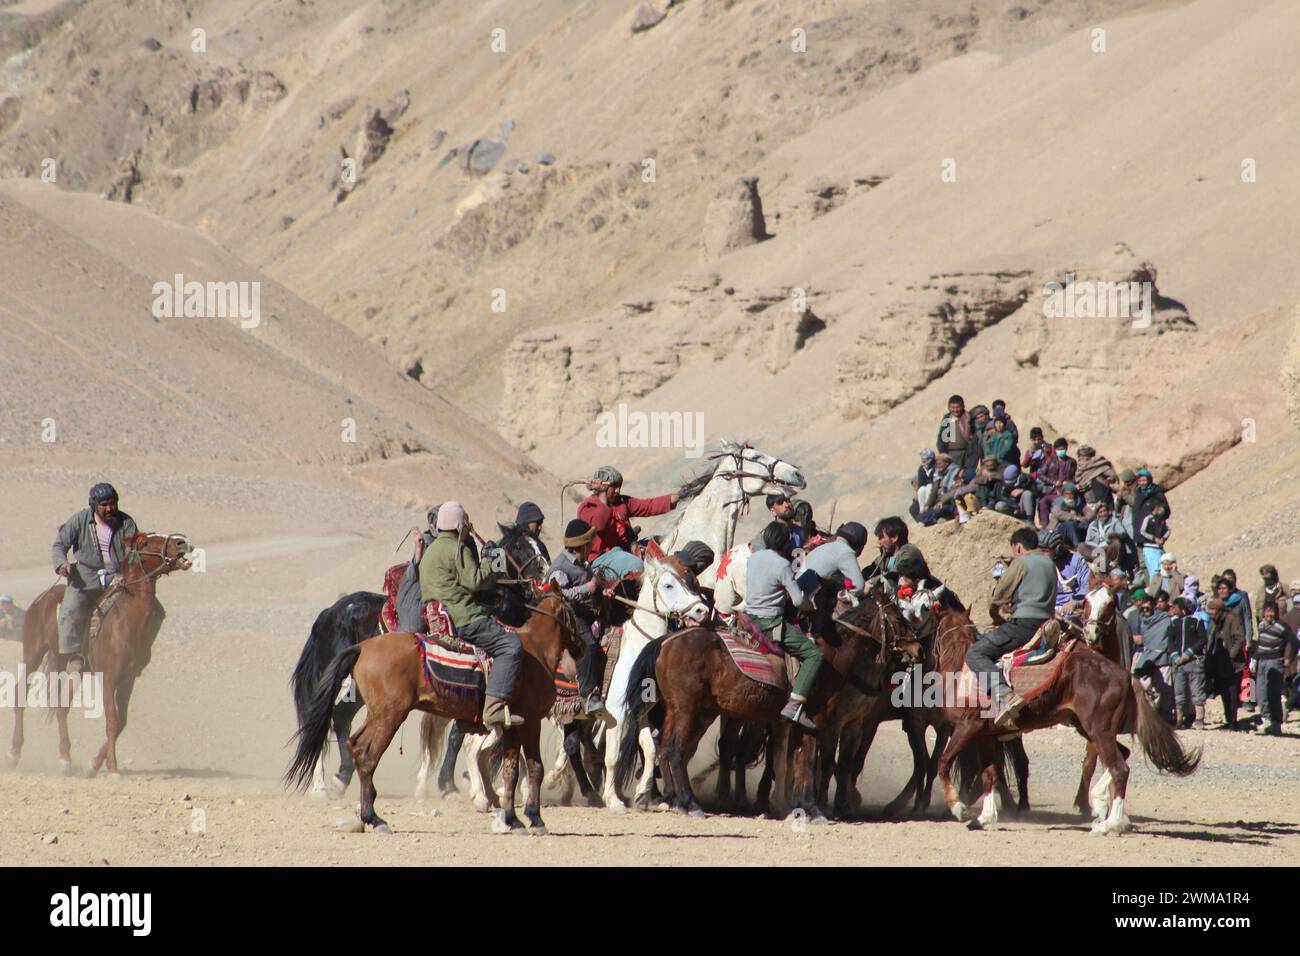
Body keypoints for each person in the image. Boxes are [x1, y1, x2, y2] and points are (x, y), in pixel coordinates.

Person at [420, 501, 525, 729]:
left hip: (438, 619)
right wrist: (488, 560)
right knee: (511, 644)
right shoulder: (457, 549)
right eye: (466, 525)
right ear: (459, 524)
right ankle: (493, 708)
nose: (468, 529)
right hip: (465, 618)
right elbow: (474, 581)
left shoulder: (430, 552)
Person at [968, 527, 1056, 730]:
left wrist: (995, 616)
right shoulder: (1050, 563)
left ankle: (1004, 694)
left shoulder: (1020, 562)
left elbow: (997, 596)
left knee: (976, 653)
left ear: (1017, 546)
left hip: (1023, 624)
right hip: (1046, 623)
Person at [51, 483, 140, 673]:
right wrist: (62, 564)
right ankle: (73, 654)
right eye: (104, 504)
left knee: (148, 608)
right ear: (94, 505)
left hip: (117, 577)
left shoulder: (127, 523)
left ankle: (138, 651)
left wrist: (126, 573)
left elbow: (133, 551)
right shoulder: (79, 520)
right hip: (84, 577)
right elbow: (59, 545)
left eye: (113, 503)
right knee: (71, 609)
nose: (110, 508)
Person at [745, 521, 822, 730]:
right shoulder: (782, 564)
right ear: (785, 542)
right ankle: (795, 704)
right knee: (815, 655)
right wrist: (810, 606)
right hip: (769, 621)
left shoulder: (753, 558)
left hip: (748, 616)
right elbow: (798, 601)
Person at [545, 519, 607, 716]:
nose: (592, 546)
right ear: (583, 545)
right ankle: (588, 694)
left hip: (583, 611)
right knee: (586, 644)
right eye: (590, 543)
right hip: (567, 616)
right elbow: (559, 596)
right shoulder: (560, 568)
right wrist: (587, 588)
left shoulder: (581, 562)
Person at [577, 466, 680, 560]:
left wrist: (673, 499)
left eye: (619, 487)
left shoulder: (621, 502)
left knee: (668, 539)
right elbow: (601, 523)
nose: (618, 490)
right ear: (603, 487)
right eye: (614, 487)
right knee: (637, 564)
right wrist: (602, 494)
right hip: (603, 559)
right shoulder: (587, 507)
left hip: (626, 551)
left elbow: (648, 506)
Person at [802, 521, 867, 642]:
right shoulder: (846, 551)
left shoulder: (822, 547)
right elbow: (858, 586)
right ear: (859, 545)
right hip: (815, 604)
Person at [1251, 602, 1296, 736]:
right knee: (1260, 692)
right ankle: (1266, 720)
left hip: (1274, 662)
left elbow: (1295, 642)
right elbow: (1260, 644)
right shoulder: (1262, 625)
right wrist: (1254, 659)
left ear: (1276, 613)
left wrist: (1288, 658)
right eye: (1267, 611)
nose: (1269, 614)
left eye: (1272, 612)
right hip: (1262, 662)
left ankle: (1276, 723)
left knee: (1273, 694)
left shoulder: (1281, 626)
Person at [1131, 591, 1175, 723]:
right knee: (1143, 686)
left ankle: (1166, 717)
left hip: (1162, 658)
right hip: (1146, 657)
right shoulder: (1138, 619)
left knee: (1165, 689)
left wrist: (1144, 639)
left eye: (1147, 608)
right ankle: (1146, 716)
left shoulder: (1164, 619)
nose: (1145, 611)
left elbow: (1165, 638)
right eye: (1142, 608)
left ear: (1153, 606)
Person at [1205, 595, 1246, 730]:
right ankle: (1228, 720)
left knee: (1232, 693)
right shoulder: (1214, 621)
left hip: (1233, 664)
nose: (1211, 614)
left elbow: (1239, 639)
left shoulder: (1232, 619)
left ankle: (1233, 722)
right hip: (1219, 663)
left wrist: (1230, 656)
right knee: (1224, 693)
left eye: (1213, 611)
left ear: (1220, 610)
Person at [1169, 597, 1207, 729]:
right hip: (1178, 663)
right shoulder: (1174, 623)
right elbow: (1170, 642)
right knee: (1179, 691)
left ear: (1182, 608)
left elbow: (1202, 639)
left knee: (1197, 690)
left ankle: (1199, 719)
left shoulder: (1197, 621)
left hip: (1194, 661)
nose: (1172, 610)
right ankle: (1179, 720)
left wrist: (1188, 654)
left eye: (1175, 607)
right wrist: (1175, 657)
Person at [495, 501, 551, 580]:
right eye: (537, 523)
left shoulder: (540, 546)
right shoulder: (505, 546)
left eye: (541, 523)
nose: (540, 527)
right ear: (526, 523)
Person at [936, 395, 981, 483]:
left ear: (963, 406)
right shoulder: (948, 419)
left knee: (966, 476)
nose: (955, 410)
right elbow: (942, 439)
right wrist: (944, 455)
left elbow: (973, 438)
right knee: (952, 478)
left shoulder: (968, 418)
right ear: (949, 407)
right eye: (953, 407)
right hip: (951, 454)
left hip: (967, 453)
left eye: (958, 407)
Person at [1036, 437, 1077, 527]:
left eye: (1062, 449)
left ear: (1066, 449)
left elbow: (1076, 477)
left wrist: (1069, 482)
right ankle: (1045, 526)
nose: (1060, 451)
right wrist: (1054, 482)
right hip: (1053, 490)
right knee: (1043, 501)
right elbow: (1040, 474)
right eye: (1058, 449)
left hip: (1066, 493)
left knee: (1059, 505)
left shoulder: (1072, 462)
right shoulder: (1050, 460)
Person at [1074, 446, 1121, 516]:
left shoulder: (1100, 464)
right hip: (1088, 502)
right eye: (1081, 456)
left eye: (1085, 456)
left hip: (1104, 499)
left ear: (1091, 456)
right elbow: (1078, 480)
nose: (1083, 459)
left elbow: (1112, 477)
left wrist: (1102, 480)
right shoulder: (1080, 468)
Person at [1136, 502, 1170, 583]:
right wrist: (1154, 539)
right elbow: (1142, 531)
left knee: (1165, 568)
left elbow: (1168, 530)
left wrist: (1163, 538)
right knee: (1155, 571)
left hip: (1160, 548)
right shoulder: (1148, 519)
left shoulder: (1161, 519)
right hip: (1150, 548)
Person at [1047, 482, 1088, 547]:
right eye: (1066, 494)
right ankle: (1078, 546)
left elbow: (1088, 511)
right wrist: (1075, 517)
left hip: (1075, 529)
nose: (1069, 496)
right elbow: (1058, 514)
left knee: (1085, 524)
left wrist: (1086, 518)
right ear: (1063, 494)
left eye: (1071, 494)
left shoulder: (1078, 502)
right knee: (1069, 524)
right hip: (1058, 531)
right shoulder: (1058, 502)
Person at [910, 449, 940, 521]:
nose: (923, 461)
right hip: (925, 491)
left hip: (935, 490)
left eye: (925, 459)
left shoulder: (936, 467)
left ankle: (929, 510)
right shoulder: (922, 469)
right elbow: (921, 484)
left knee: (929, 487)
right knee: (922, 490)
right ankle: (922, 512)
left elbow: (935, 483)